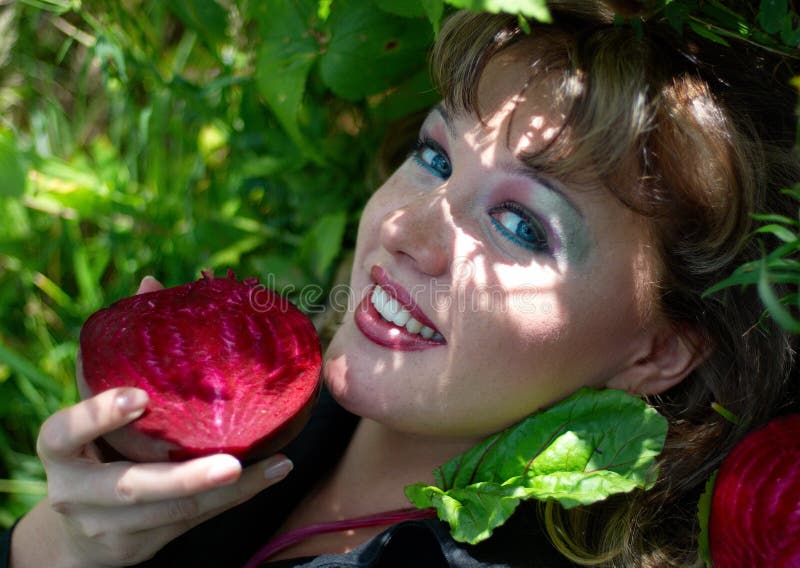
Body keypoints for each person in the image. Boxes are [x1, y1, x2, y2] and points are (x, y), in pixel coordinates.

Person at [3, 2, 799, 566]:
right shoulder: (265, 407)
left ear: (657, 353)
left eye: (521, 226)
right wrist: (67, 545)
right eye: (435, 157)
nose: (405, 230)